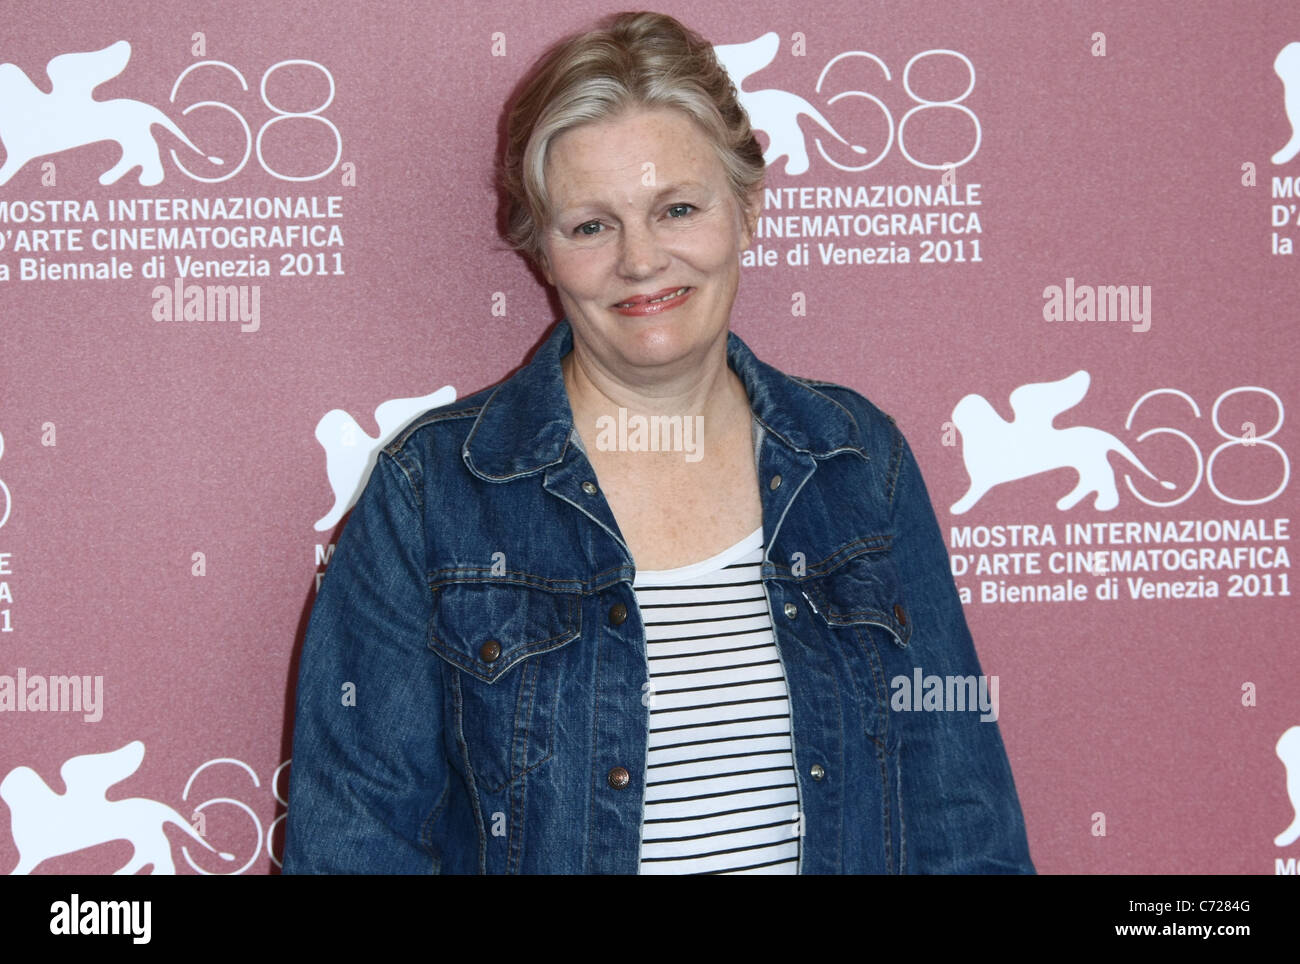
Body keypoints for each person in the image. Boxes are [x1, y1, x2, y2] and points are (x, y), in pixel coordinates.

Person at [283, 10, 1034, 874]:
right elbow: (352, 844)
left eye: (676, 208)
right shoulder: (434, 492)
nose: (641, 261)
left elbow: (963, 818)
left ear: (746, 209)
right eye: (592, 225)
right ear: (542, 251)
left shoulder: (860, 461)